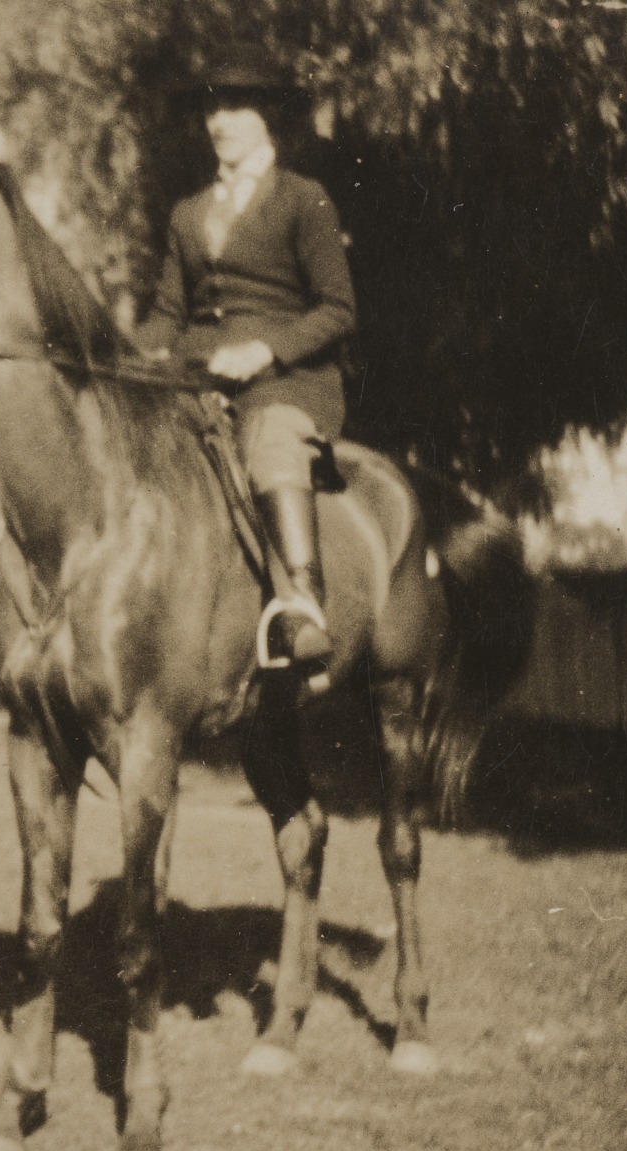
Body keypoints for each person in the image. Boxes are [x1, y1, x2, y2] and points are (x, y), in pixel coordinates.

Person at [140, 45, 356, 679]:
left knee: (268, 441)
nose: (220, 121)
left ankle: (302, 604)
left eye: (235, 107)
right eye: (212, 109)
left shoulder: (303, 199)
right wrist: (132, 350)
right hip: (200, 384)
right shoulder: (187, 215)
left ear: (266, 118)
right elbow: (165, 314)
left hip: (286, 384)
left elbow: (338, 309)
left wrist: (264, 349)